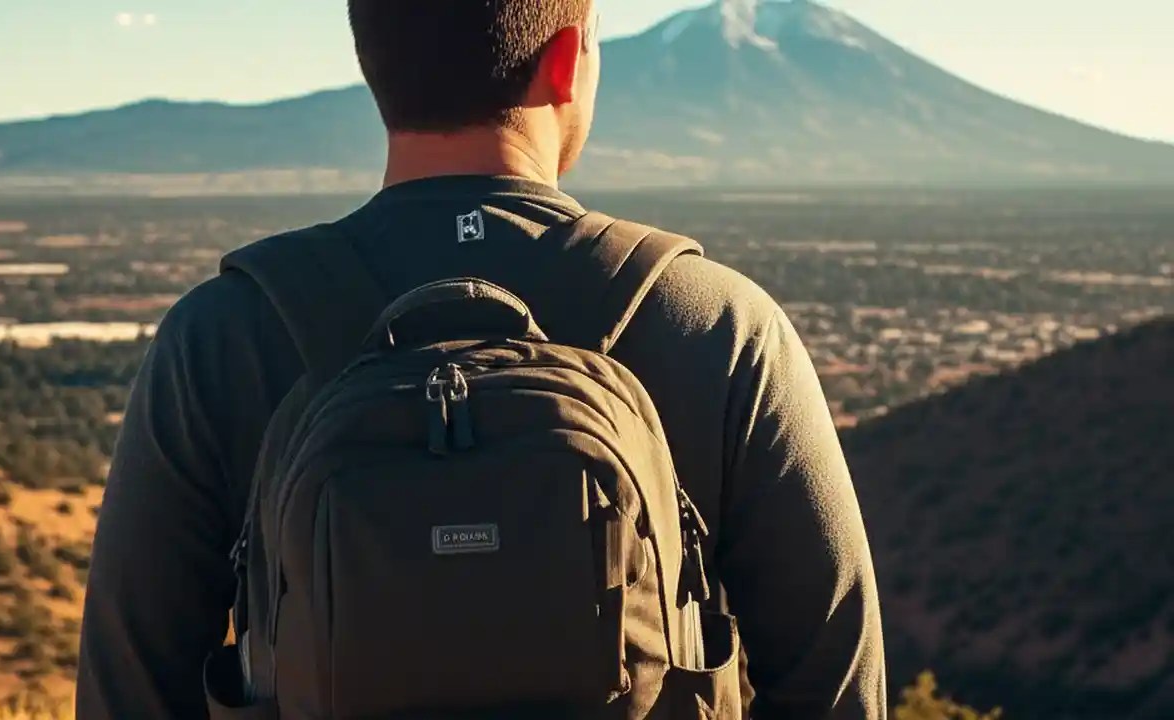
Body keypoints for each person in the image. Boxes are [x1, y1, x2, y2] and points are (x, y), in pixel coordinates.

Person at [76, 0, 887, 717]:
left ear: (371, 63)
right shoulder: (716, 324)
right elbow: (836, 688)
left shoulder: (221, 334)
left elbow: (129, 690)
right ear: (566, 59)